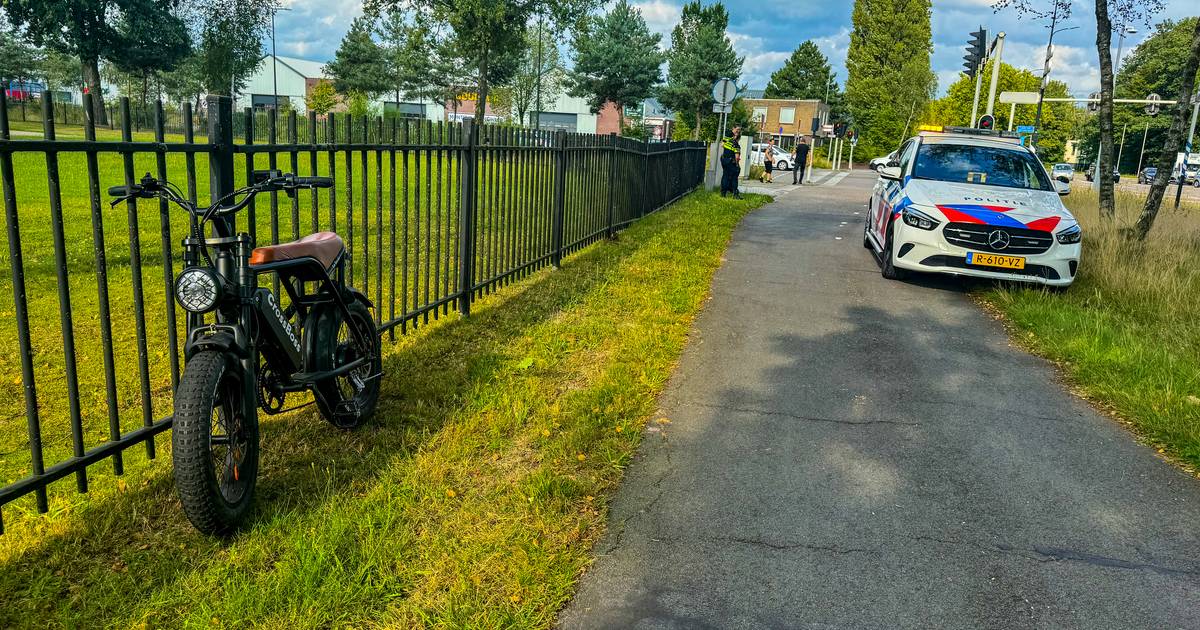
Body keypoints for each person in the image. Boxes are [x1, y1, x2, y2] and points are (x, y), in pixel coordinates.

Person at [720, 125, 742, 198]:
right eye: (737, 129)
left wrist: (728, 148)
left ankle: (723, 194)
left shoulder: (727, 138)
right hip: (731, 161)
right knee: (734, 177)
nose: (738, 131)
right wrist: (737, 164)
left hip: (724, 159)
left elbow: (722, 145)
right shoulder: (736, 145)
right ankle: (735, 193)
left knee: (725, 176)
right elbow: (737, 157)